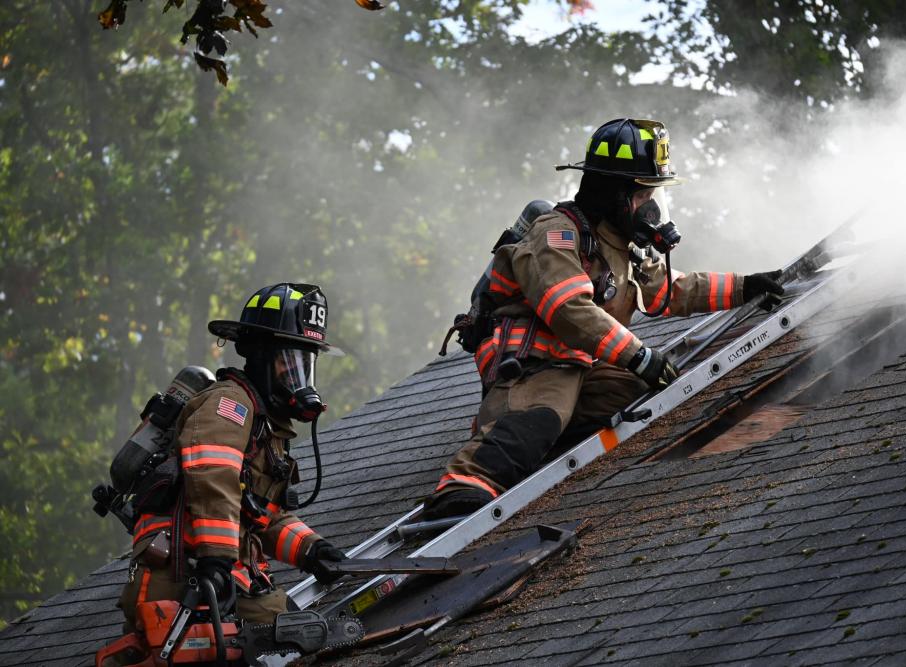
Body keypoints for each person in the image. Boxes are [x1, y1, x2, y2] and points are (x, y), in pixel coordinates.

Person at [423, 118, 784, 519]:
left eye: (655, 196)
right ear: (616, 195)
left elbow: (669, 290)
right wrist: (640, 355)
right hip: (531, 361)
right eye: (644, 196)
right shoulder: (557, 234)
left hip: (578, 365)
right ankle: (463, 484)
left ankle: (542, 439)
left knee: (640, 391)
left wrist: (744, 286)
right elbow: (569, 310)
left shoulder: (622, 248)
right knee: (543, 411)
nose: (652, 209)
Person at [117, 283, 348, 629]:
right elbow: (213, 479)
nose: (297, 376)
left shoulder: (264, 429)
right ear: (260, 355)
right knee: (295, 632)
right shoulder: (230, 405)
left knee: (297, 628)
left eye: (305, 362)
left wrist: (311, 550)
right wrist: (218, 562)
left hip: (222, 576)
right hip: (182, 578)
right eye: (289, 361)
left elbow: (263, 517)